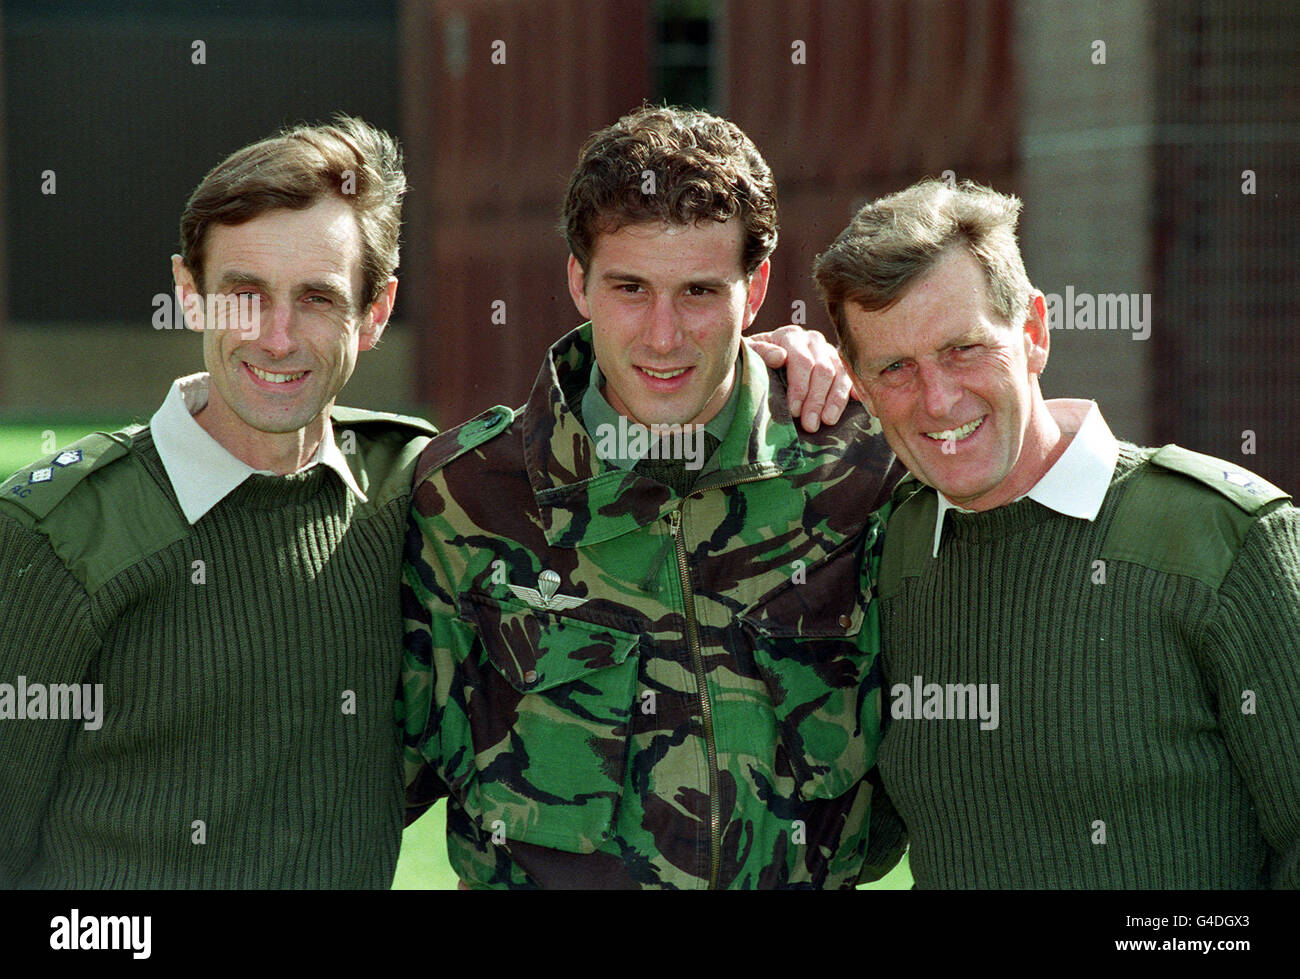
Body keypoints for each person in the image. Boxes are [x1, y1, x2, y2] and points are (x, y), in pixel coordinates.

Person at [0, 115, 848, 889]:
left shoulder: (412, 486)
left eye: (320, 297)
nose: (277, 336)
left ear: (376, 311)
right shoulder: (59, 534)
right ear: (189, 291)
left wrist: (762, 365)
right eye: (244, 294)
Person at [398, 105, 901, 889]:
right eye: (630, 287)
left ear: (757, 287)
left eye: (700, 291)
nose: (663, 336)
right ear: (578, 280)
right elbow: (352, 781)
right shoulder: (464, 497)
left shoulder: (857, 471)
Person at [813, 177, 1300, 888]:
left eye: (963, 349)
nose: (939, 399)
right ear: (858, 382)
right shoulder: (885, 555)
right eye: (896, 368)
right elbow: (840, 834)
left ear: (1035, 332)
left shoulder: (1228, 542)